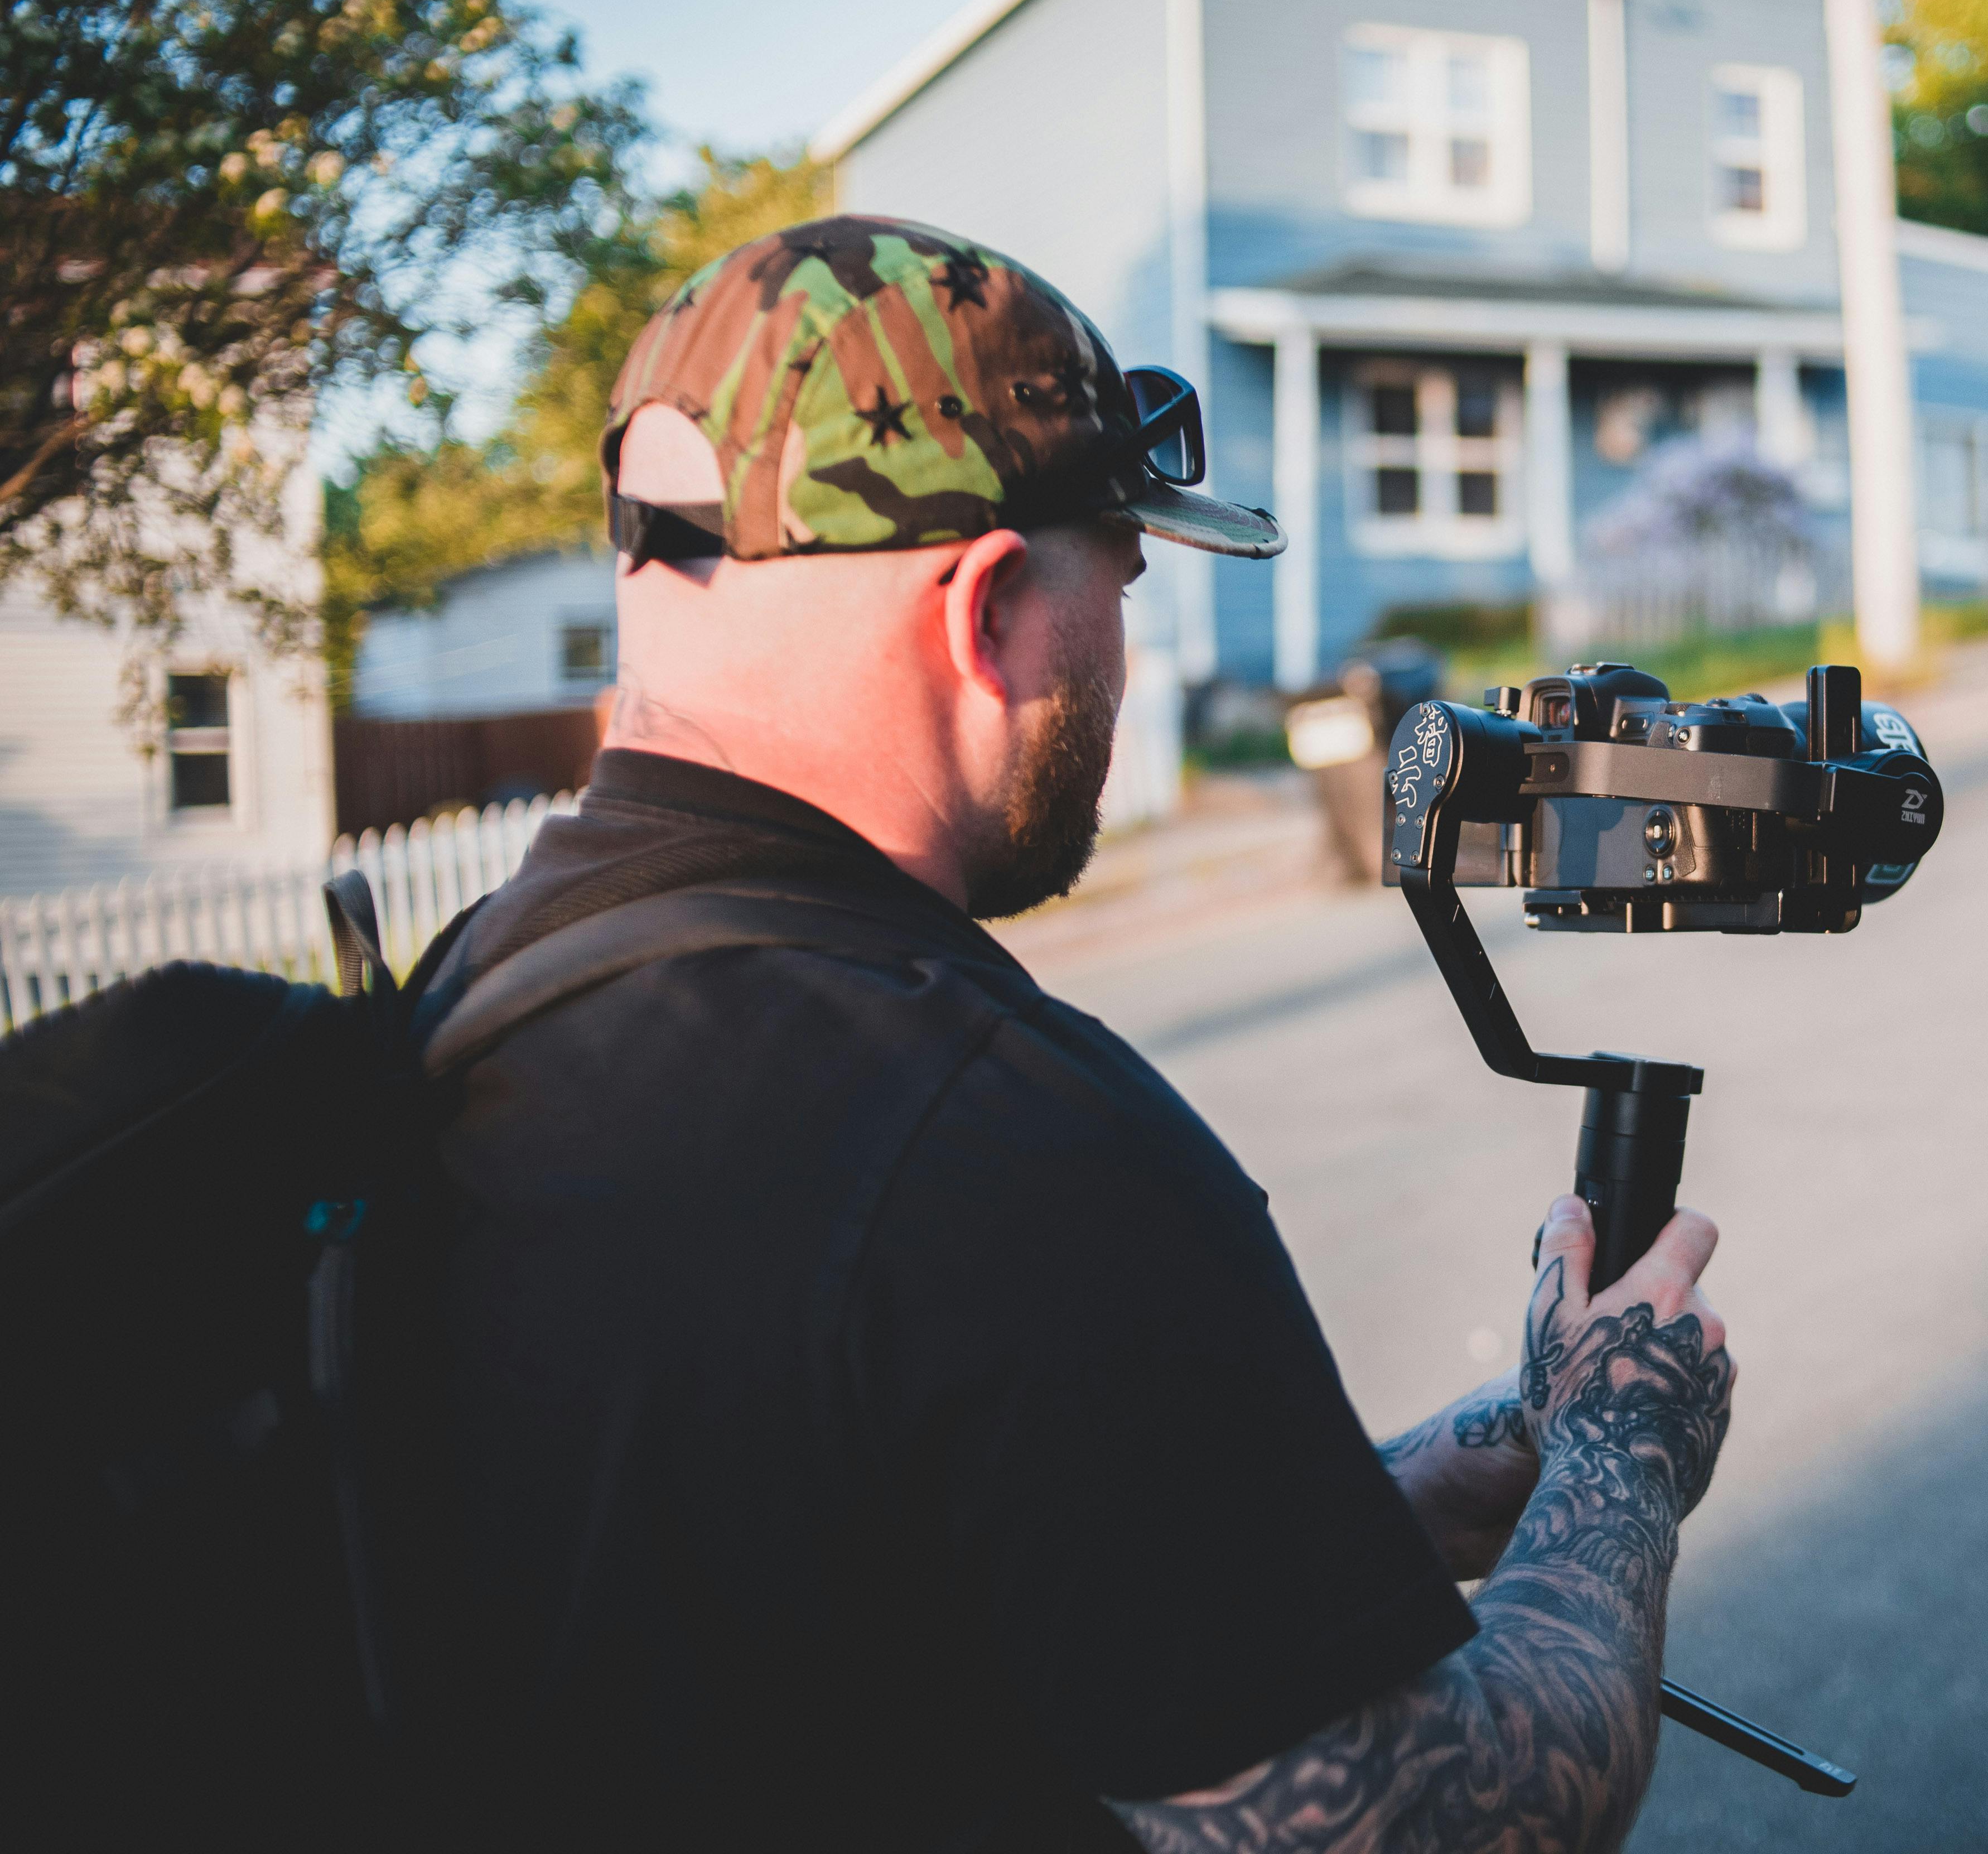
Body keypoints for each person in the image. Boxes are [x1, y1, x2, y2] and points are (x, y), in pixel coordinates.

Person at [404, 216, 1738, 1852]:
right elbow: (1453, 1823)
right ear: (985, 611)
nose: (1125, 648)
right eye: (1124, 571)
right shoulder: (994, 1146)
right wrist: (1618, 1460)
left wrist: (1429, 1491)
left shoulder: (479, 998)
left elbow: (865, 1584)